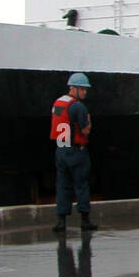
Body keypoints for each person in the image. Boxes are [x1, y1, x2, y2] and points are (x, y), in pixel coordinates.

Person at [51, 72, 96, 233]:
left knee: (62, 185)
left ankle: (61, 221)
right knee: (81, 185)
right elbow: (85, 130)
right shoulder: (78, 106)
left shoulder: (58, 103)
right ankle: (85, 220)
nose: (85, 92)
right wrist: (89, 121)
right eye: (83, 89)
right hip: (76, 151)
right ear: (74, 89)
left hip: (60, 149)